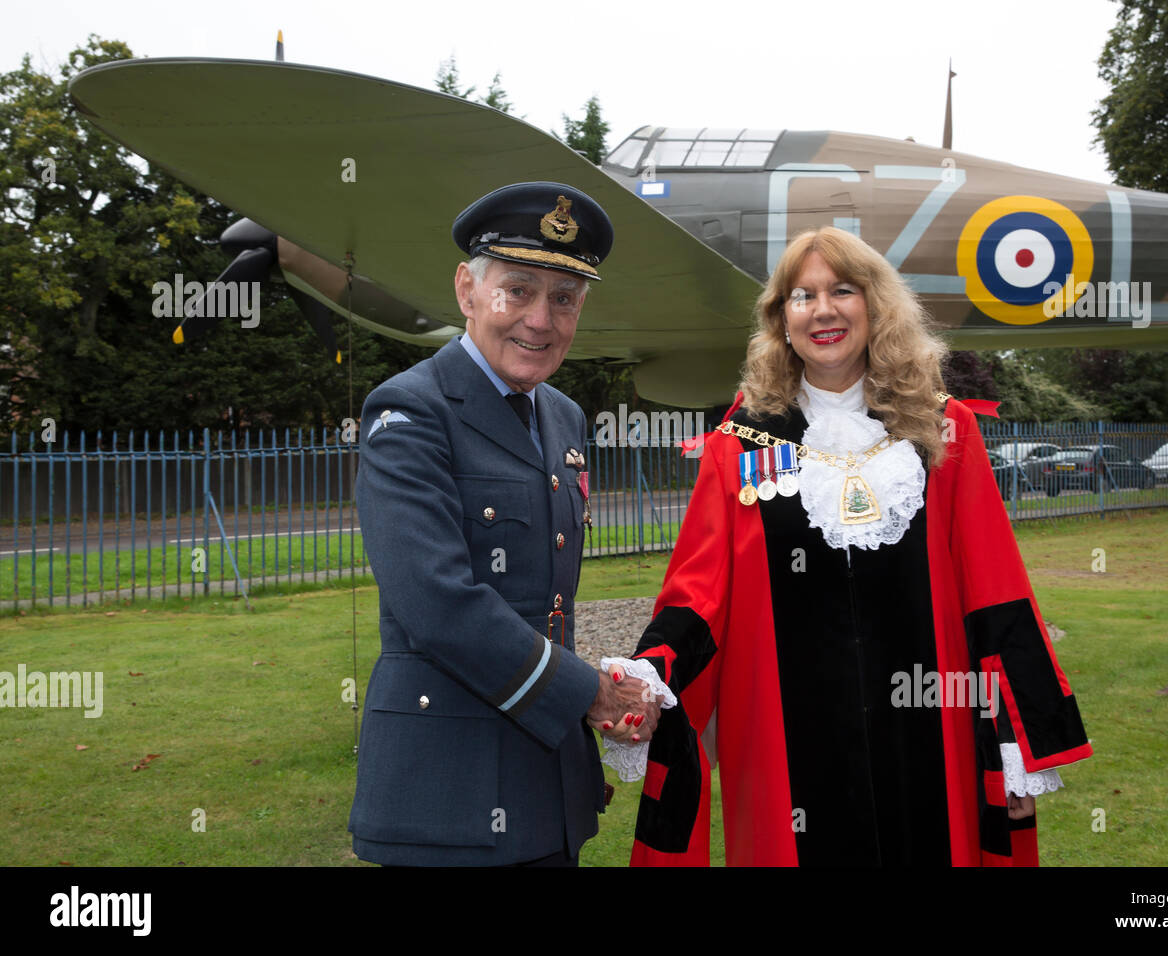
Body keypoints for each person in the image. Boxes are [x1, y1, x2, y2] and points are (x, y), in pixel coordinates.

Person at [625, 226, 1092, 866]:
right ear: (780, 319)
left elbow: (993, 586)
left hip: (930, 727)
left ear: (875, 305)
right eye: (802, 295)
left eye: (842, 290)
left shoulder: (943, 430)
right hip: (786, 746)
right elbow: (699, 593)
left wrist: (1013, 743)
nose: (823, 310)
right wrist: (652, 670)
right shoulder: (738, 446)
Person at [348, 182, 659, 867]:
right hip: (447, 792)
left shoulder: (563, 417)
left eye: (564, 299)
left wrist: (614, 687)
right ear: (467, 290)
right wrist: (590, 693)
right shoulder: (409, 410)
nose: (540, 320)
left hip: (546, 790)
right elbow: (436, 603)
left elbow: (541, 605)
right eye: (517, 291)